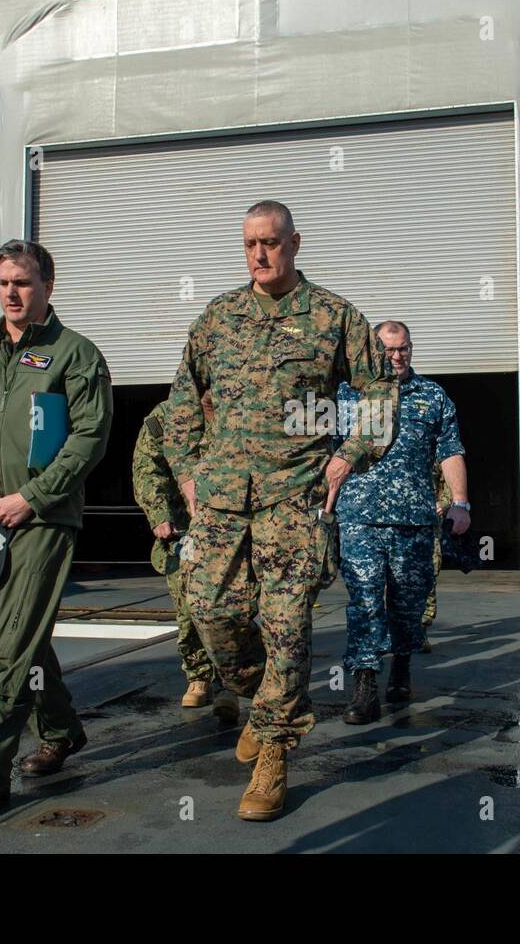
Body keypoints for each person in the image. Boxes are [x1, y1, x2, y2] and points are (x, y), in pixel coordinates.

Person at [163, 200, 399, 821]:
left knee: (287, 626)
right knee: (213, 616)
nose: (259, 255)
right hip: (220, 502)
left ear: (295, 243)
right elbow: (183, 399)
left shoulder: (332, 316)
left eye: (270, 242)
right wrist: (187, 473)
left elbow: (379, 393)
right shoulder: (218, 317)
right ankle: (256, 694)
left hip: (294, 499)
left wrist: (349, 456)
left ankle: (273, 748)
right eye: (249, 244)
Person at [0, 239, 113, 822]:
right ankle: (60, 729)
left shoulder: (75, 355)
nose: (12, 292)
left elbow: (90, 438)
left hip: (43, 519)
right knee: (21, 639)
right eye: (5, 282)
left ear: (48, 287)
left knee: (12, 647)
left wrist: (29, 498)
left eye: (24, 283)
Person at [336, 321, 468, 723]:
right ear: (373, 351)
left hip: (414, 520)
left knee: (408, 605)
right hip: (359, 517)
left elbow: (450, 450)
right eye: (389, 349)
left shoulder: (432, 396)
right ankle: (364, 686)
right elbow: (322, 452)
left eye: (404, 349)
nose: (397, 356)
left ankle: (402, 666)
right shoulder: (345, 396)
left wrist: (460, 502)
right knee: (364, 600)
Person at [132, 392, 241, 722]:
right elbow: (147, 468)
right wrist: (159, 513)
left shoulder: (239, 410)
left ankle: (228, 685)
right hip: (184, 531)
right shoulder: (167, 417)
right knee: (187, 608)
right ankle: (198, 676)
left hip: (229, 529)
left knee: (231, 609)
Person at [419, 463, 453, 653]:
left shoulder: (435, 447)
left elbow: (448, 482)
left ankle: (421, 628)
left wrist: (444, 503)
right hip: (397, 523)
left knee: (429, 574)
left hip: (429, 524)